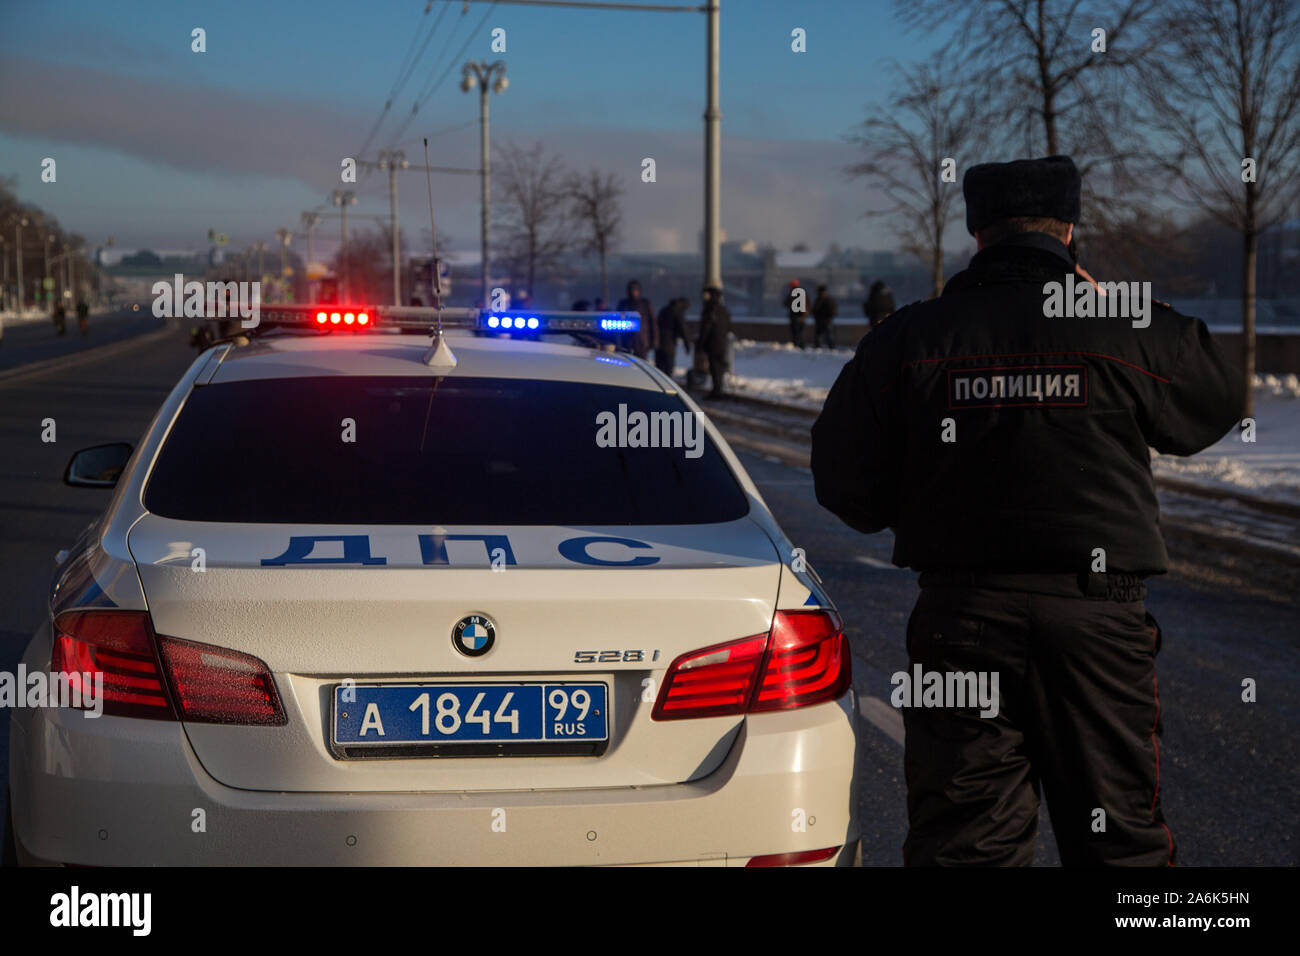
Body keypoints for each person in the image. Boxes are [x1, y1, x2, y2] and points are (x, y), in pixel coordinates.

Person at [810, 154, 1243, 867]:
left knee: (966, 840)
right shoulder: (1115, 323)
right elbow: (1217, 395)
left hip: (961, 615)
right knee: (1120, 843)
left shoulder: (913, 336)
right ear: (1069, 229)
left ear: (977, 234)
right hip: (1098, 624)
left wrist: (926, 502)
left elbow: (843, 479)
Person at [696, 285, 731, 398]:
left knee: (714, 367)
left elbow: (706, 328)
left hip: (712, 343)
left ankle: (717, 391)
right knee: (719, 367)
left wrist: (701, 343)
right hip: (722, 342)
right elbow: (728, 326)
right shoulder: (723, 310)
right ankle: (718, 389)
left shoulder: (710, 309)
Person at [615, 279, 656, 359]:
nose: (634, 292)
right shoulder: (623, 304)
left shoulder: (645, 303)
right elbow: (617, 324)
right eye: (632, 290)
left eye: (635, 290)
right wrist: (618, 342)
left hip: (642, 342)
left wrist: (654, 341)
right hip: (626, 342)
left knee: (641, 365)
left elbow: (653, 323)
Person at [655, 297, 690, 377]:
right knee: (668, 368)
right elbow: (683, 329)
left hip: (659, 342)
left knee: (659, 369)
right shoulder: (677, 312)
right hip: (669, 343)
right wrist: (687, 345)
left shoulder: (664, 310)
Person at [812, 284, 837, 349]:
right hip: (821, 320)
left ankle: (831, 347)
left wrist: (827, 317)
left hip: (826, 320)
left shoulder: (827, 300)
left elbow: (832, 311)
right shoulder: (820, 299)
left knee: (828, 336)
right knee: (820, 336)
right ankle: (819, 347)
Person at [785, 279, 807, 349]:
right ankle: (801, 346)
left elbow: (786, 303)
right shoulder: (803, 293)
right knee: (800, 333)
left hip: (795, 317)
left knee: (796, 333)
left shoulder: (793, 294)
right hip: (802, 317)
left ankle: (798, 346)